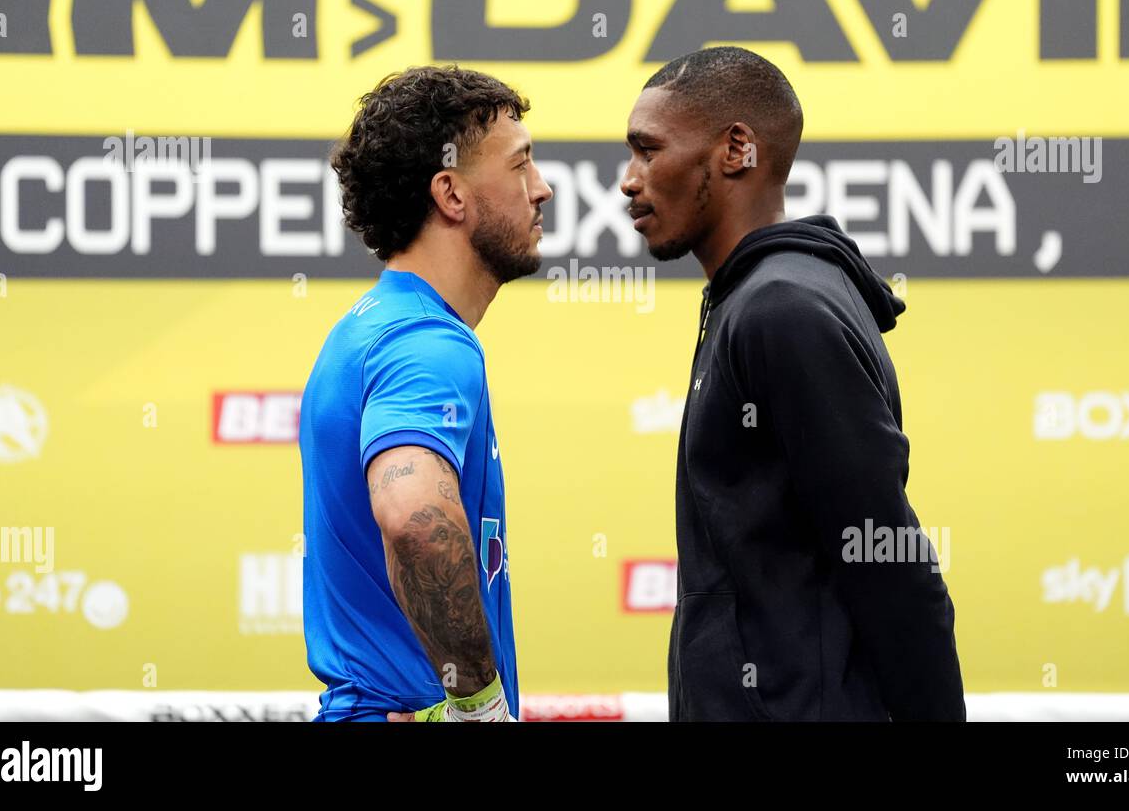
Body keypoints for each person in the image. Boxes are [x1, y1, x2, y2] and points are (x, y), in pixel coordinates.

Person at [621, 46, 965, 721]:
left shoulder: (782, 310)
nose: (630, 181)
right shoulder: (757, 298)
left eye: (648, 150)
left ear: (737, 149)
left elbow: (887, 558)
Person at [299, 65, 551, 721]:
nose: (542, 189)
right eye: (520, 165)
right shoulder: (426, 342)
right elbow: (414, 517)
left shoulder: (373, 327)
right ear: (451, 194)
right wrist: (477, 705)